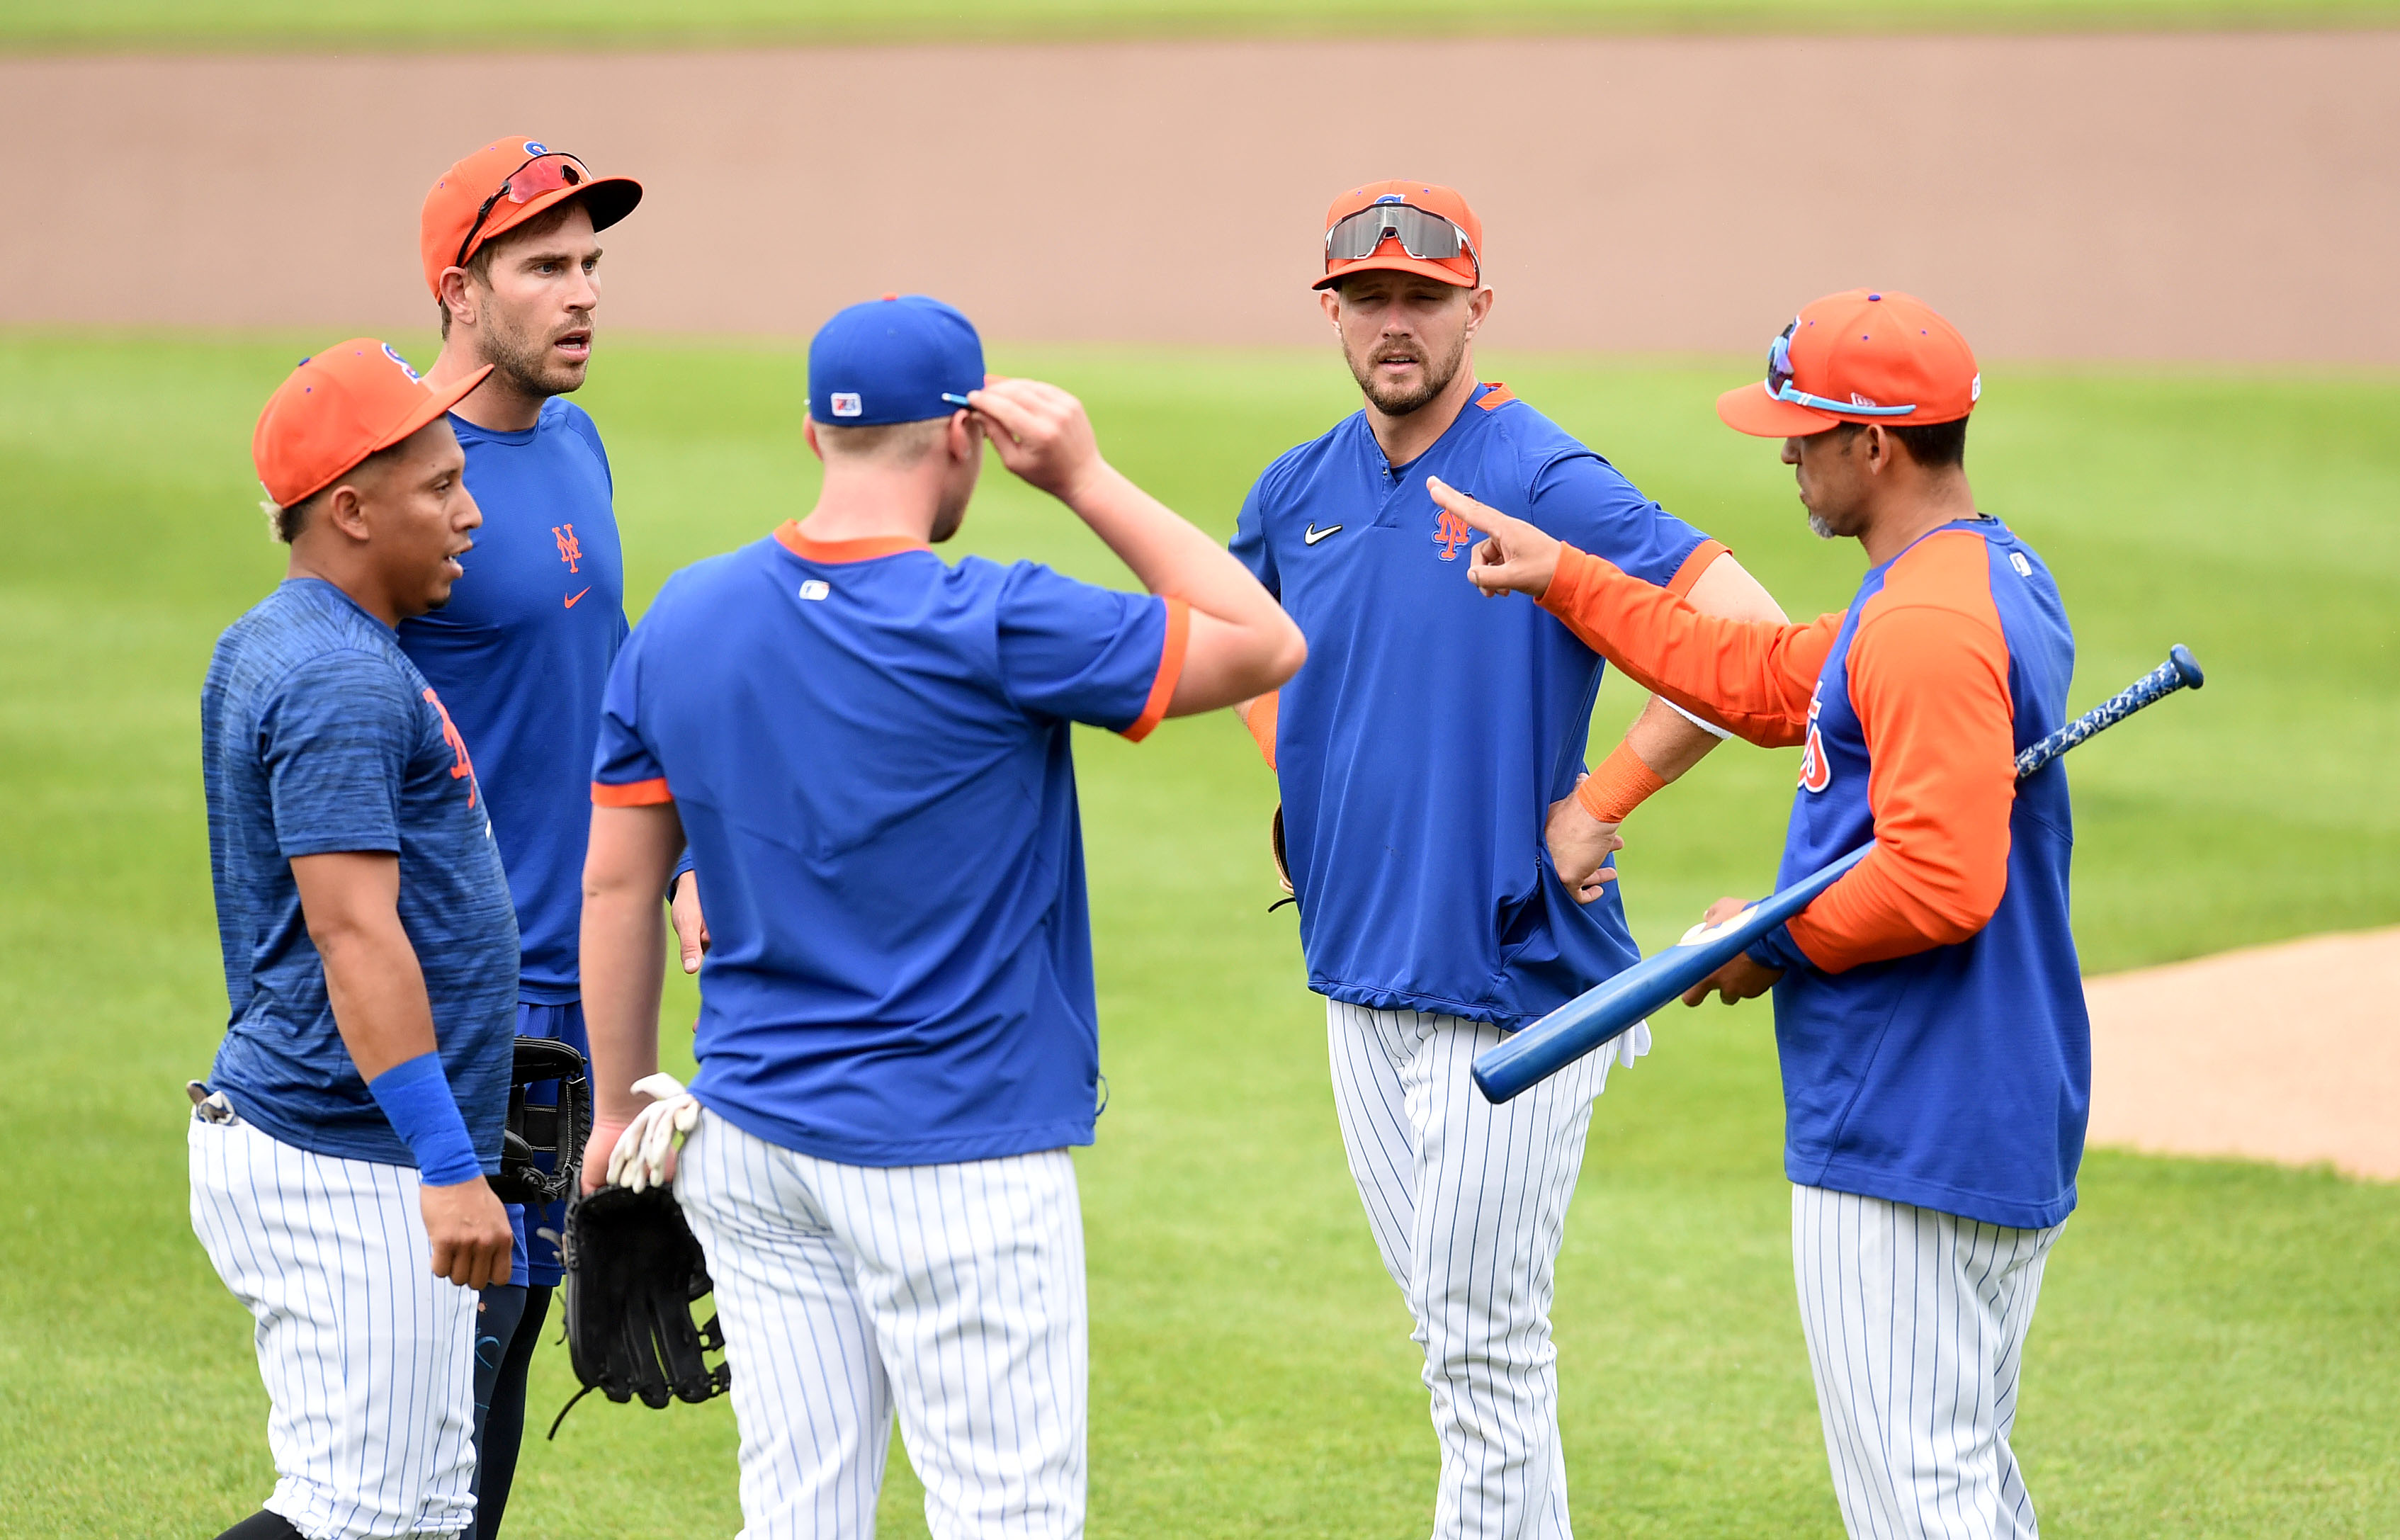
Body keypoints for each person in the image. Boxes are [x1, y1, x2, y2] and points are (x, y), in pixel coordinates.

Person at [574, 295, 1304, 1537]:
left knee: (796, 1514)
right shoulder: (998, 618)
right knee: (1004, 1517)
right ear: (965, 438)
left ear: (816, 433)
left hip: (743, 1138)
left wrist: (615, 1106)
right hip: (954, 1154)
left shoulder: (683, 619)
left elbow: (617, 886)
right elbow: (1264, 637)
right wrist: (1085, 477)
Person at [1442, 290, 2085, 1540]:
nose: (1785, 455)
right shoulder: (1978, 577)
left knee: (1921, 1500)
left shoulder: (1930, 624)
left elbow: (1942, 879)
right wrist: (1569, 574)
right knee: (1964, 1482)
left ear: (1875, 444)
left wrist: (1764, 939)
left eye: (1803, 432)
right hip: (1987, 1098)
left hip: (1909, 1112)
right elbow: (1769, 675)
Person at [1228, 181, 1787, 1537]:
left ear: (1479, 305)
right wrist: (1305, 779)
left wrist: (1605, 797)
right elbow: (1245, 640)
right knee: (1456, 1342)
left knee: (1483, 1347)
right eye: (1370, 301)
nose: (1396, 324)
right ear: (1331, 313)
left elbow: (1745, 627)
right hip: (1357, 976)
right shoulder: (1296, 488)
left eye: (1424, 298)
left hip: (1521, 980)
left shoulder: (1538, 473)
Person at [192, 340, 517, 1540]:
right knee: (359, 1514)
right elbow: (353, 933)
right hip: (352, 1152)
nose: (469, 513)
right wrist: (446, 1159)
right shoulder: (339, 677)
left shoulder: (289, 638)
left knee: (426, 1513)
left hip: (351, 1139)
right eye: (439, 487)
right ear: (349, 507)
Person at [403, 135, 645, 1538]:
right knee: (418, 1419)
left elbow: (597, 692)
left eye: (590, 264)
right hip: (455, 1012)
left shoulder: (573, 435)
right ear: (459, 287)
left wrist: (675, 869)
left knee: (489, 1418)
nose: (581, 293)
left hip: (573, 1010)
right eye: (543, 266)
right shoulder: (394, 474)